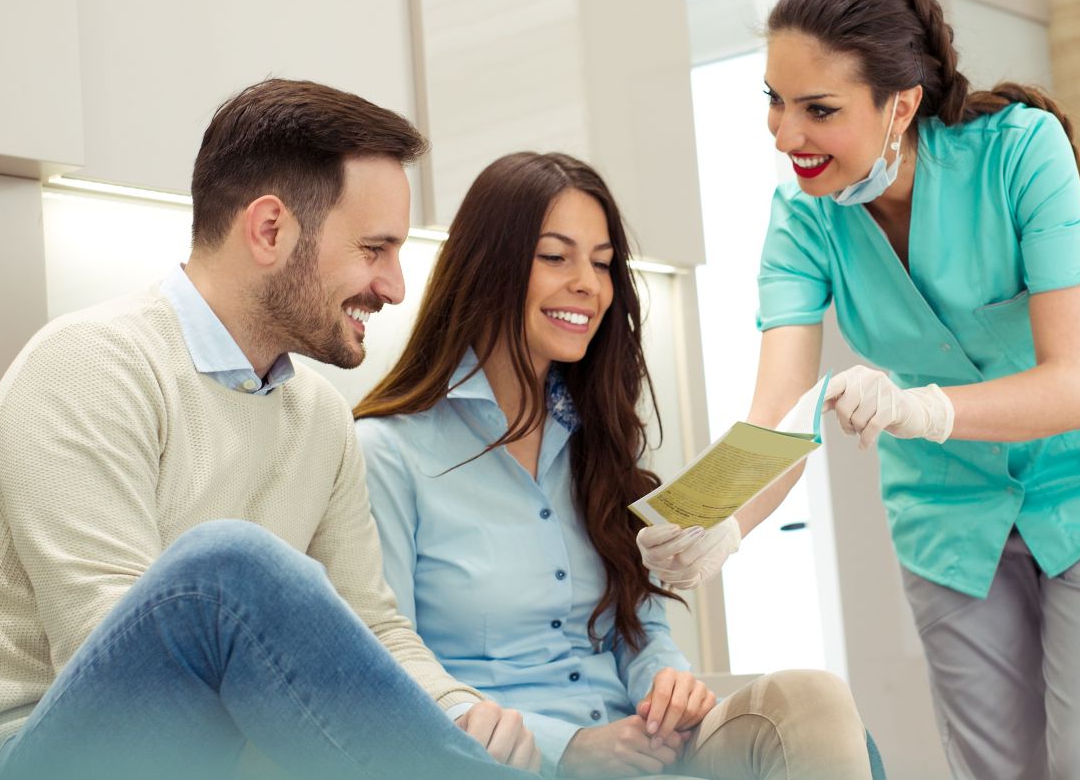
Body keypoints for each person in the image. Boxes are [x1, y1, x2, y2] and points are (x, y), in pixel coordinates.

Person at [0, 79, 540, 780]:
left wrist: (457, 711)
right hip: (12, 759)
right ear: (269, 230)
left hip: (192, 756)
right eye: (374, 249)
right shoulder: (86, 367)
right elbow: (122, 671)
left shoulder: (320, 417)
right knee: (224, 569)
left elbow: (373, 627)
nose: (394, 286)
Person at [637, 0, 1080, 780]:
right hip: (949, 517)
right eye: (773, 102)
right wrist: (724, 523)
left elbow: (1077, 383)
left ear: (900, 104)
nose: (786, 136)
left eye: (818, 109)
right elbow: (775, 414)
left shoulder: (1020, 155)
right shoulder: (801, 219)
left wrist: (921, 408)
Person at [353, 151, 874, 780]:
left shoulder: (600, 441)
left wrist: (667, 684)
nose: (589, 285)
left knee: (811, 700)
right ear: (489, 264)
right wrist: (568, 747)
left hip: (649, 753)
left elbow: (641, 630)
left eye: (602, 264)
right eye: (556, 257)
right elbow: (386, 667)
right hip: (503, 764)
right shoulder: (387, 452)